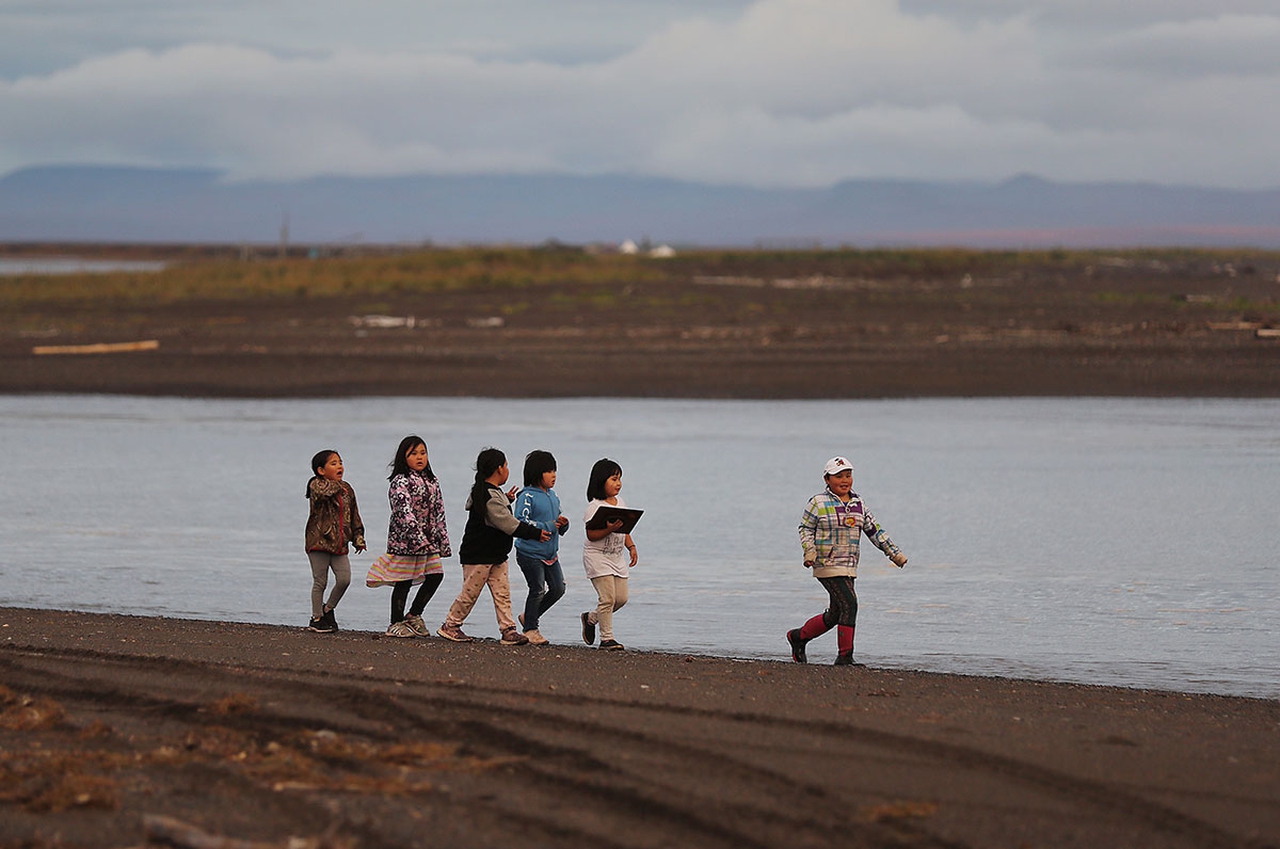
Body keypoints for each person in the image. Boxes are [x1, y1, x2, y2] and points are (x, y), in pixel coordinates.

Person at [789, 456, 908, 666]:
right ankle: (845, 657)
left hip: (849, 565)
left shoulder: (858, 503)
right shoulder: (817, 502)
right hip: (826, 564)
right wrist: (809, 552)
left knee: (837, 613)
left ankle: (798, 637)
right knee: (850, 604)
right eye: (838, 476)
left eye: (848, 475)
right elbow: (805, 529)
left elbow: (875, 531)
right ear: (827, 479)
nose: (844, 480)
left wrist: (894, 553)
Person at [437, 447, 550, 645]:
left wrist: (507, 499)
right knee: (470, 594)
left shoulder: (490, 492)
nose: (507, 470)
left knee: (502, 594)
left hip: (496, 555)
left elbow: (497, 509)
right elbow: (508, 524)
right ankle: (451, 625)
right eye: (506, 466)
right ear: (499, 469)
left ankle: (508, 630)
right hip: (479, 555)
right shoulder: (488, 496)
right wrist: (535, 533)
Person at [365, 436, 452, 638]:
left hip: (429, 542)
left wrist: (443, 541)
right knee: (403, 580)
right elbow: (403, 511)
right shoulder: (400, 481)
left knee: (436, 575)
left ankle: (413, 614)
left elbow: (439, 511)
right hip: (405, 541)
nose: (419, 457)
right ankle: (395, 623)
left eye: (423, 453)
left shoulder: (432, 480)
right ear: (403, 458)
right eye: (413, 454)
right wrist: (417, 538)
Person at [512, 450, 570, 645]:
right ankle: (530, 629)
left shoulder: (553, 496)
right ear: (537, 473)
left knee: (558, 589)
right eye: (549, 471)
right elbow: (521, 521)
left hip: (550, 554)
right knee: (537, 589)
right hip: (529, 553)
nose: (554, 475)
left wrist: (563, 524)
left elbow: (557, 521)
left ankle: (528, 616)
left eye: (554, 471)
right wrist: (546, 526)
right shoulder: (527, 496)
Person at [304, 449, 365, 633]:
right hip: (318, 542)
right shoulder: (316, 485)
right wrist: (338, 484)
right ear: (321, 470)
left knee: (344, 579)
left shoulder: (347, 488)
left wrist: (358, 536)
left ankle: (328, 609)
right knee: (320, 581)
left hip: (339, 544)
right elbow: (326, 492)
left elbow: (354, 514)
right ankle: (317, 618)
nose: (339, 467)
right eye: (334, 463)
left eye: (340, 463)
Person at [580, 458, 637, 651]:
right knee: (607, 598)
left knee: (621, 598)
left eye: (619, 479)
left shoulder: (620, 502)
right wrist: (609, 529)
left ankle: (591, 618)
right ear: (600, 481)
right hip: (597, 557)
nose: (618, 483)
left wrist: (631, 546)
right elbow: (591, 535)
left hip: (616, 557)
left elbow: (625, 529)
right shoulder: (594, 507)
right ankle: (607, 639)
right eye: (613, 479)